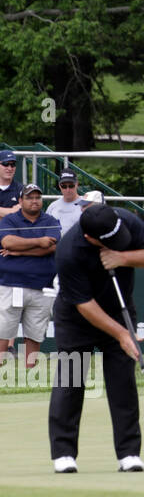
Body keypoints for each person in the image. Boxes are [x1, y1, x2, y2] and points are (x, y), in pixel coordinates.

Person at [49, 204, 144, 473]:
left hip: (120, 308)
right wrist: (122, 334)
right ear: (90, 238)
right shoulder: (68, 251)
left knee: (122, 381)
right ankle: (64, 453)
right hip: (77, 318)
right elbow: (84, 305)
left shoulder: (124, 219)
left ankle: (128, 453)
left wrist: (122, 257)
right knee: (71, 381)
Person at [0, 184, 61, 367]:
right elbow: (8, 242)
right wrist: (39, 242)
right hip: (11, 283)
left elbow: (52, 247)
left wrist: (19, 252)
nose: (34, 201)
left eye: (37, 197)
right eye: (29, 197)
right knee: (3, 329)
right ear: (20, 201)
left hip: (43, 285)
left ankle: (29, 369)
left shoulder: (50, 219)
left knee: (35, 332)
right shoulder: (9, 220)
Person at [47, 170, 89, 235]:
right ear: (59, 186)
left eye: (71, 185)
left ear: (77, 184)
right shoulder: (53, 206)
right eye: (64, 186)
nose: (68, 190)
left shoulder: (86, 204)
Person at [0, 149, 21, 216]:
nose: (9, 168)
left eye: (13, 164)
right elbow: (15, 214)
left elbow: (24, 212)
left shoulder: (21, 189)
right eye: (5, 164)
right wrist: (12, 211)